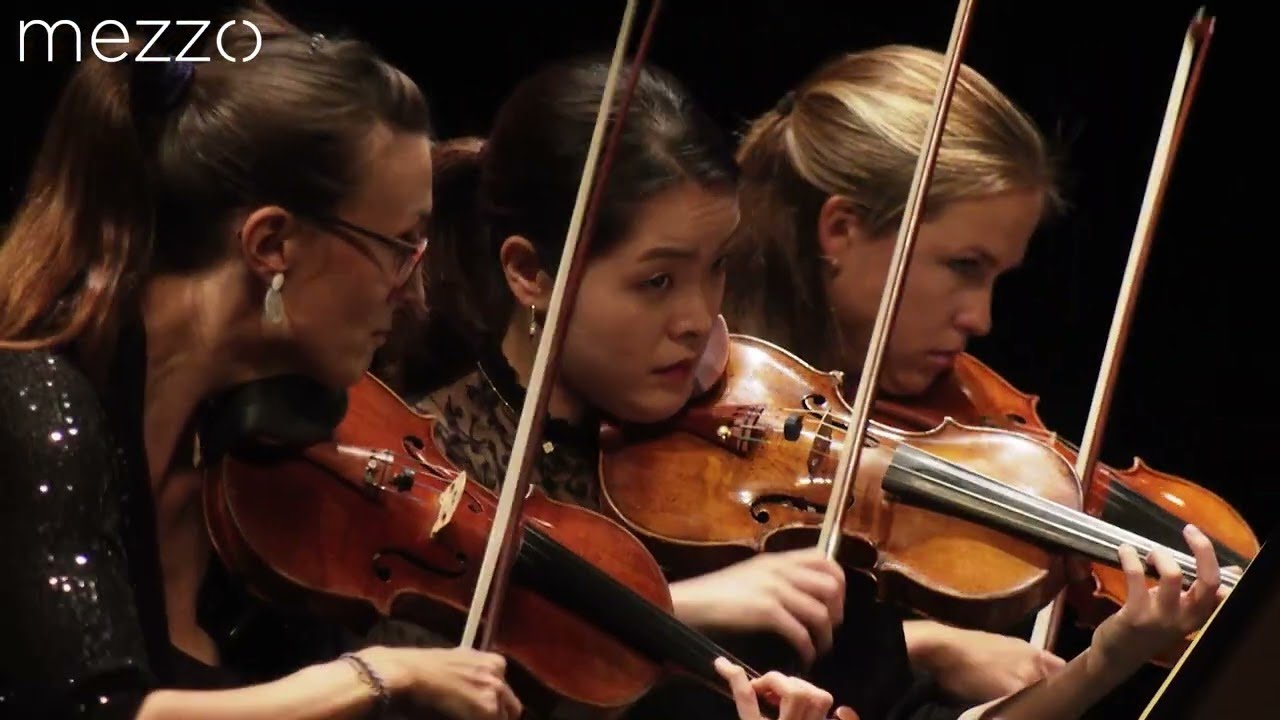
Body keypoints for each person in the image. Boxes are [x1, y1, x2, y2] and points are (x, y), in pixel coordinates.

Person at [379, 49, 1227, 720]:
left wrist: (1107, 659)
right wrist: (684, 604)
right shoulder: (433, 458)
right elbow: (435, 676)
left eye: (715, 270)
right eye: (656, 282)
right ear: (531, 273)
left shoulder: (728, 488)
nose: (698, 317)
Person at [720, 42, 1228, 714]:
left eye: (994, 277)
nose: (983, 320)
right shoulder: (675, 402)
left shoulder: (886, 468)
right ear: (841, 229)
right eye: (964, 265)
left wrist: (917, 644)